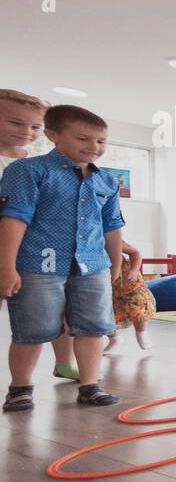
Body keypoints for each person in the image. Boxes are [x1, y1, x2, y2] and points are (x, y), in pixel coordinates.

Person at [1, 104, 123, 411]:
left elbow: (112, 225)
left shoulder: (106, 180)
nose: (94, 147)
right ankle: (20, 388)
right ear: (54, 135)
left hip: (92, 265)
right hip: (37, 263)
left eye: (101, 141)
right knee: (33, 328)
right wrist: (7, 267)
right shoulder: (27, 170)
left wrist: (116, 263)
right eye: (83, 139)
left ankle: (90, 385)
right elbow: (14, 218)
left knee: (94, 326)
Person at [0, 89, 81, 380]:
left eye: (35, 126)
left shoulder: (40, 166)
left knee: (61, 308)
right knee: (28, 322)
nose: (26, 132)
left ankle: (64, 361)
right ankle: (21, 383)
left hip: (40, 252)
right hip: (8, 250)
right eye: (15, 122)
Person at [106, 240, 155, 351]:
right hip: (105, 280)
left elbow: (135, 252)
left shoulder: (110, 239)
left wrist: (134, 270)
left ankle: (141, 332)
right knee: (105, 310)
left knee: (137, 303)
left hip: (127, 277)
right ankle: (114, 338)